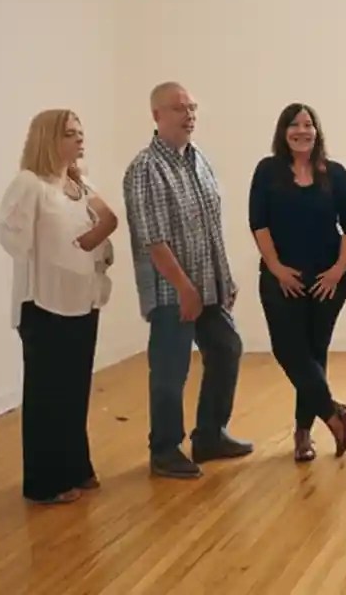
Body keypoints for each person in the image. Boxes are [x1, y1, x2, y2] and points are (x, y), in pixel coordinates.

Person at [124, 82, 252, 479]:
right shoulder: (145, 169)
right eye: (179, 108)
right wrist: (184, 288)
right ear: (156, 115)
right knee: (170, 370)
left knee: (227, 348)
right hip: (172, 292)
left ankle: (210, 435)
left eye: (192, 107)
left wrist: (224, 278)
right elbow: (153, 240)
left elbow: (213, 227)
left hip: (209, 287)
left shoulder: (200, 161)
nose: (189, 114)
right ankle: (164, 449)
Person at [0, 109, 118, 504]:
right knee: (46, 395)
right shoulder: (30, 184)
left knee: (75, 390)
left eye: (81, 132)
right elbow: (15, 238)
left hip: (81, 301)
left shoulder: (78, 185)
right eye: (70, 133)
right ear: (48, 139)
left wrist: (89, 241)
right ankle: (44, 482)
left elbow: (109, 219)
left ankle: (75, 467)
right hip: (44, 304)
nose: (79, 139)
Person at [248, 103, 346, 462]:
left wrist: (339, 269)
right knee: (288, 350)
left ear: (317, 131)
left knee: (314, 353)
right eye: (294, 125)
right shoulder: (267, 171)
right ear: (283, 132)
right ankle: (331, 413)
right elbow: (258, 223)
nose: (302, 130)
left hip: (328, 279)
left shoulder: (335, 174)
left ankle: (303, 434)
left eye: (308, 124)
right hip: (281, 278)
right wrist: (276, 267)